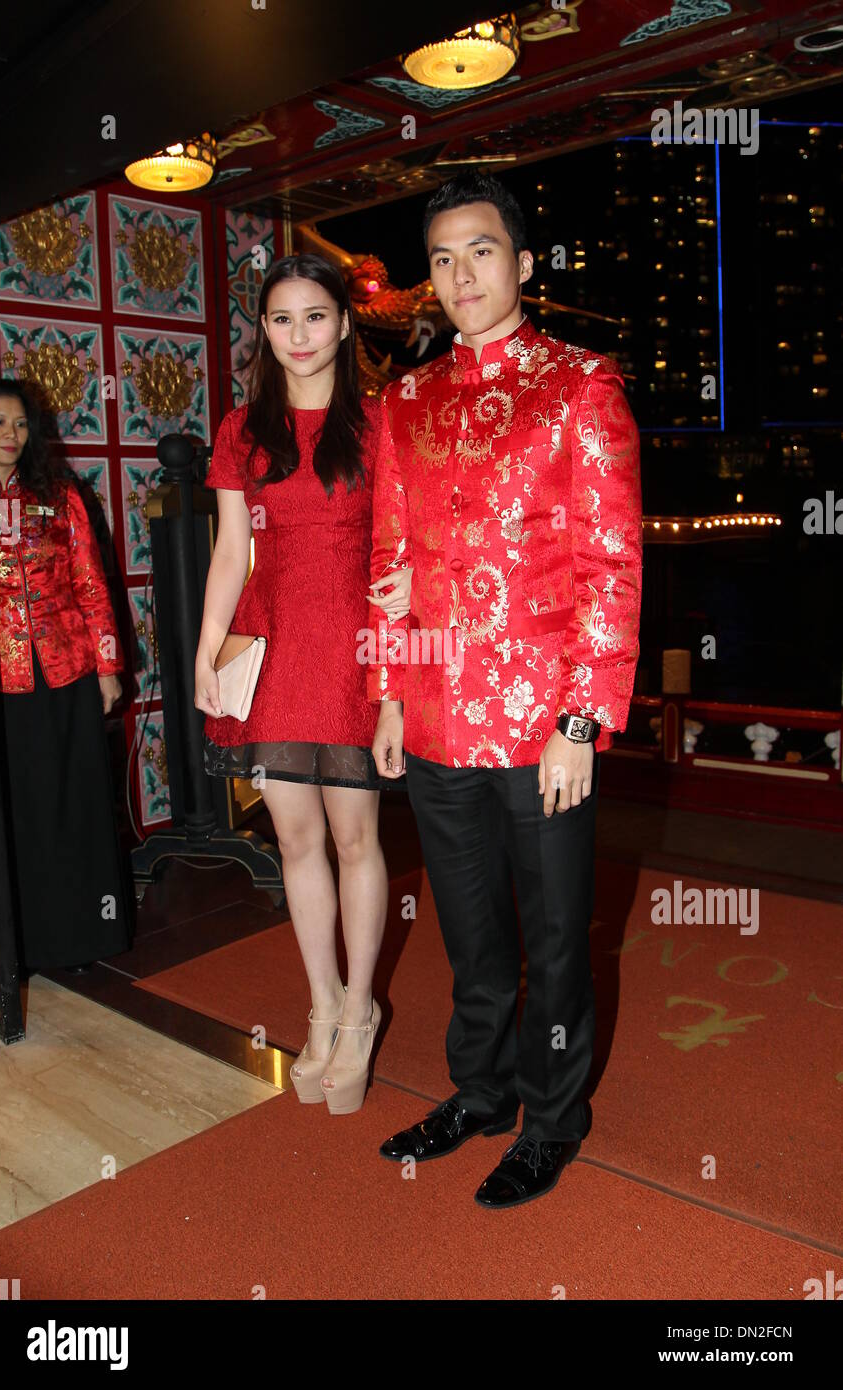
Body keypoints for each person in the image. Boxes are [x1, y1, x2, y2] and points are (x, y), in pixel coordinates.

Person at [368, 172, 643, 1208]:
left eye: (479, 251)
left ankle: (551, 1115)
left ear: (523, 263)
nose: (458, 276)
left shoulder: (579, 386)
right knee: (470, 934)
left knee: (556, 941)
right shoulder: (405, 399)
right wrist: (389, 691)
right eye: (440, 259)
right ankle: (478, 1091)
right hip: (435, 717)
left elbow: (610, 568)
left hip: (542, 728)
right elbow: (388, 557)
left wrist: (580, 722)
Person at [194, 253, 411, 1115]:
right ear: (265, 332)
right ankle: (322, 1005)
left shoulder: (384, 422)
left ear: (345, 323)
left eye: (315, 316)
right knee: (293, 840)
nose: (299, 335)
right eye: (282, 319)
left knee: (356, 838)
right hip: (275, 647)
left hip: (355, 651)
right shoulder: (243, 429)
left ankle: (362, 1007)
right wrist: (209, 652)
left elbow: (410, 543)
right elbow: (229, 551)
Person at [0, 377, 131, 975]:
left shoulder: (61, 495)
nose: (11, 435)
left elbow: (92, 584)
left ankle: (82, 938)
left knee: (74, 804)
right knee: (17, 810)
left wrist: (109, 667)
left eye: (19, 424)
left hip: (66, 674)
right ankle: (20, 943)